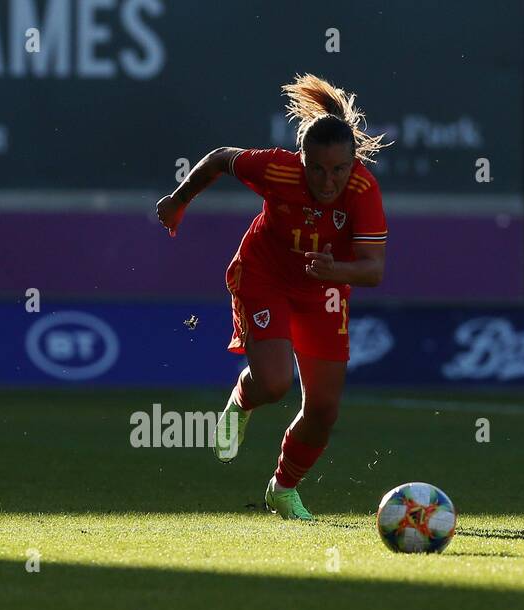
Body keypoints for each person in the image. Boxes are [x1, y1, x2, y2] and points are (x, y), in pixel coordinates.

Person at [155, 73, 388, 520]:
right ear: (301, 160)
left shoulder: (363, 191)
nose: (327, 181)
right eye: (317, 168)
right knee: (276, 383)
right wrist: (179, 200)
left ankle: (282, 488)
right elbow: (221, 158)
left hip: (325, 286)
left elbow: (373, 271)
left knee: (323, 410)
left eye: (339, 169)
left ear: (353, 164)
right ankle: (242, 399)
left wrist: (334, 271)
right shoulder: (275, 168)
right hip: (265, 275)